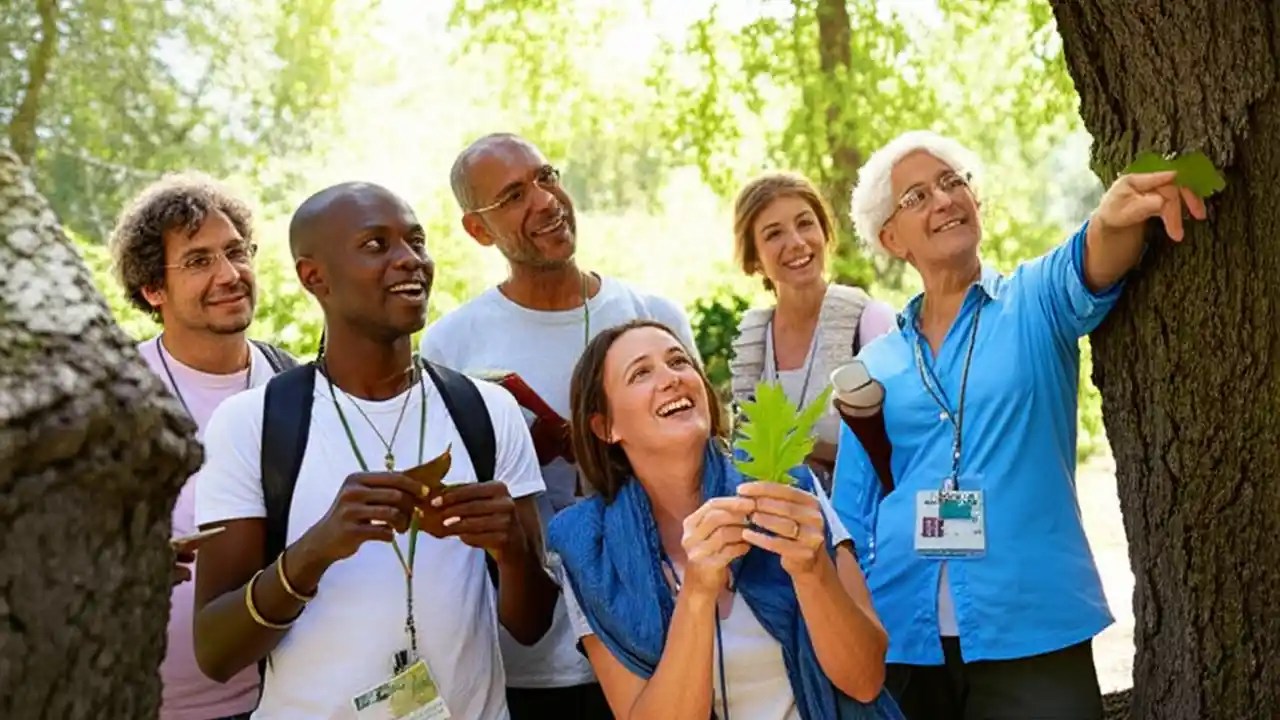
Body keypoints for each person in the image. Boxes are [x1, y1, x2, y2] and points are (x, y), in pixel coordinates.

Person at [831, 129, 1207, 719]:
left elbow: (1094, 257)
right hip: (904, 635)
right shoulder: (873, 363)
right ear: (890, 238)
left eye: (953, 182)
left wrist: (1114, 216)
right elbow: (848, 522)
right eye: (917, 197)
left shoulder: (1033, 302)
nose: (944, 199)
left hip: (1032, 624)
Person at [191, 181, 559, 720]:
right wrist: (315, 550)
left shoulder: (486, 411)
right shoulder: (253, 424)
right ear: (313, 276)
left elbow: (531, 627)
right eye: (375, 245)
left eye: (416, 242)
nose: (410, 261)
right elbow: (216, 653)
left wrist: (513, 552)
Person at [423, 132, 697, 718]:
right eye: (514, 196)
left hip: (668, 635)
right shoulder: (454, 344)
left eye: (546, 177)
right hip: (536, 661)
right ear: (478, 230)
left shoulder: (651, 317)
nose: (545, 201)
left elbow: (703, 464)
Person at [547, 319, 903, 720]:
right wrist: (697, 593)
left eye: (679, 362)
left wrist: (812, 570)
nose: (672, 379)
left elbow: (867, 679)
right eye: (641, 373)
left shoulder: (792, 487)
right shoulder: (585, 546)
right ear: (605, 426)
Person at [109, 172, 297, 720]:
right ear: (152, 289)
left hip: (284, 694)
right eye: (198, 261)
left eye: (236, 252)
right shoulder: (117, 393)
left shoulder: (295, 385)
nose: (229, 274)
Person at [728, 172, 896, 488]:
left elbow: (901, 445)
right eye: (774, 234)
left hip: (862, 526)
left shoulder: (872, 323)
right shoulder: (753, 345)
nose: (796, 242)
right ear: (755, 260)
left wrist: (801, 447)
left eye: (805, 223)